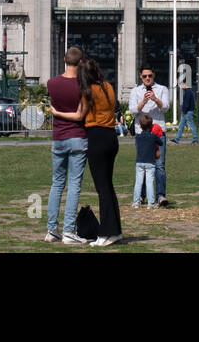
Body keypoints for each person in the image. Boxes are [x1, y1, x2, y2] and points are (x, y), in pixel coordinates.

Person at [50, 55, 122, 247]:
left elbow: (78, 115)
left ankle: (106, 233)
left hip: (96, 137)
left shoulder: (88, 91)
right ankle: (116, 230)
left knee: (102, 188)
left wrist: (57, 113)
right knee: (109, 185)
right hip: (111, 137)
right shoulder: (108, 87)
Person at [45, 47, 89, 243]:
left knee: (57, 184)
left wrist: (56, 114)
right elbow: (80, 115)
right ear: (80, 62)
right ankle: (69, 230)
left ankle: (52, 229)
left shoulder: (52, 83)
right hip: (78, 136)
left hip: (59, 138)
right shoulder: (83, 85)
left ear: (64, 60)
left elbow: (55, 106)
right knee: (74, 185)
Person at [129, 65, 169, 206]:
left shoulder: (162, 89)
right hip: (142, 134)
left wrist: (155, 99)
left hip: (158, 132)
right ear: (140, 76)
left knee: (159, 165)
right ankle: (141, 196)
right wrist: (144, 101)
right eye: (145, 76)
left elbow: (165, 108)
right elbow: (133, 110)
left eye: (150, 76)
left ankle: (160, 195)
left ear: (154, 76)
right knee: (143, 164)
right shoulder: (135, 91)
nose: (147, 78)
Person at [132, 114, 159, 207]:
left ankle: (136, 202)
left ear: (140, 125)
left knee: (138, 182)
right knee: (149, 182)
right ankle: (151, 202)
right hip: (150, 161)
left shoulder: (138, 137)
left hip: (139, 161)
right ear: (151, 126)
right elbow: (160, 142)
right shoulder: (153, 136)